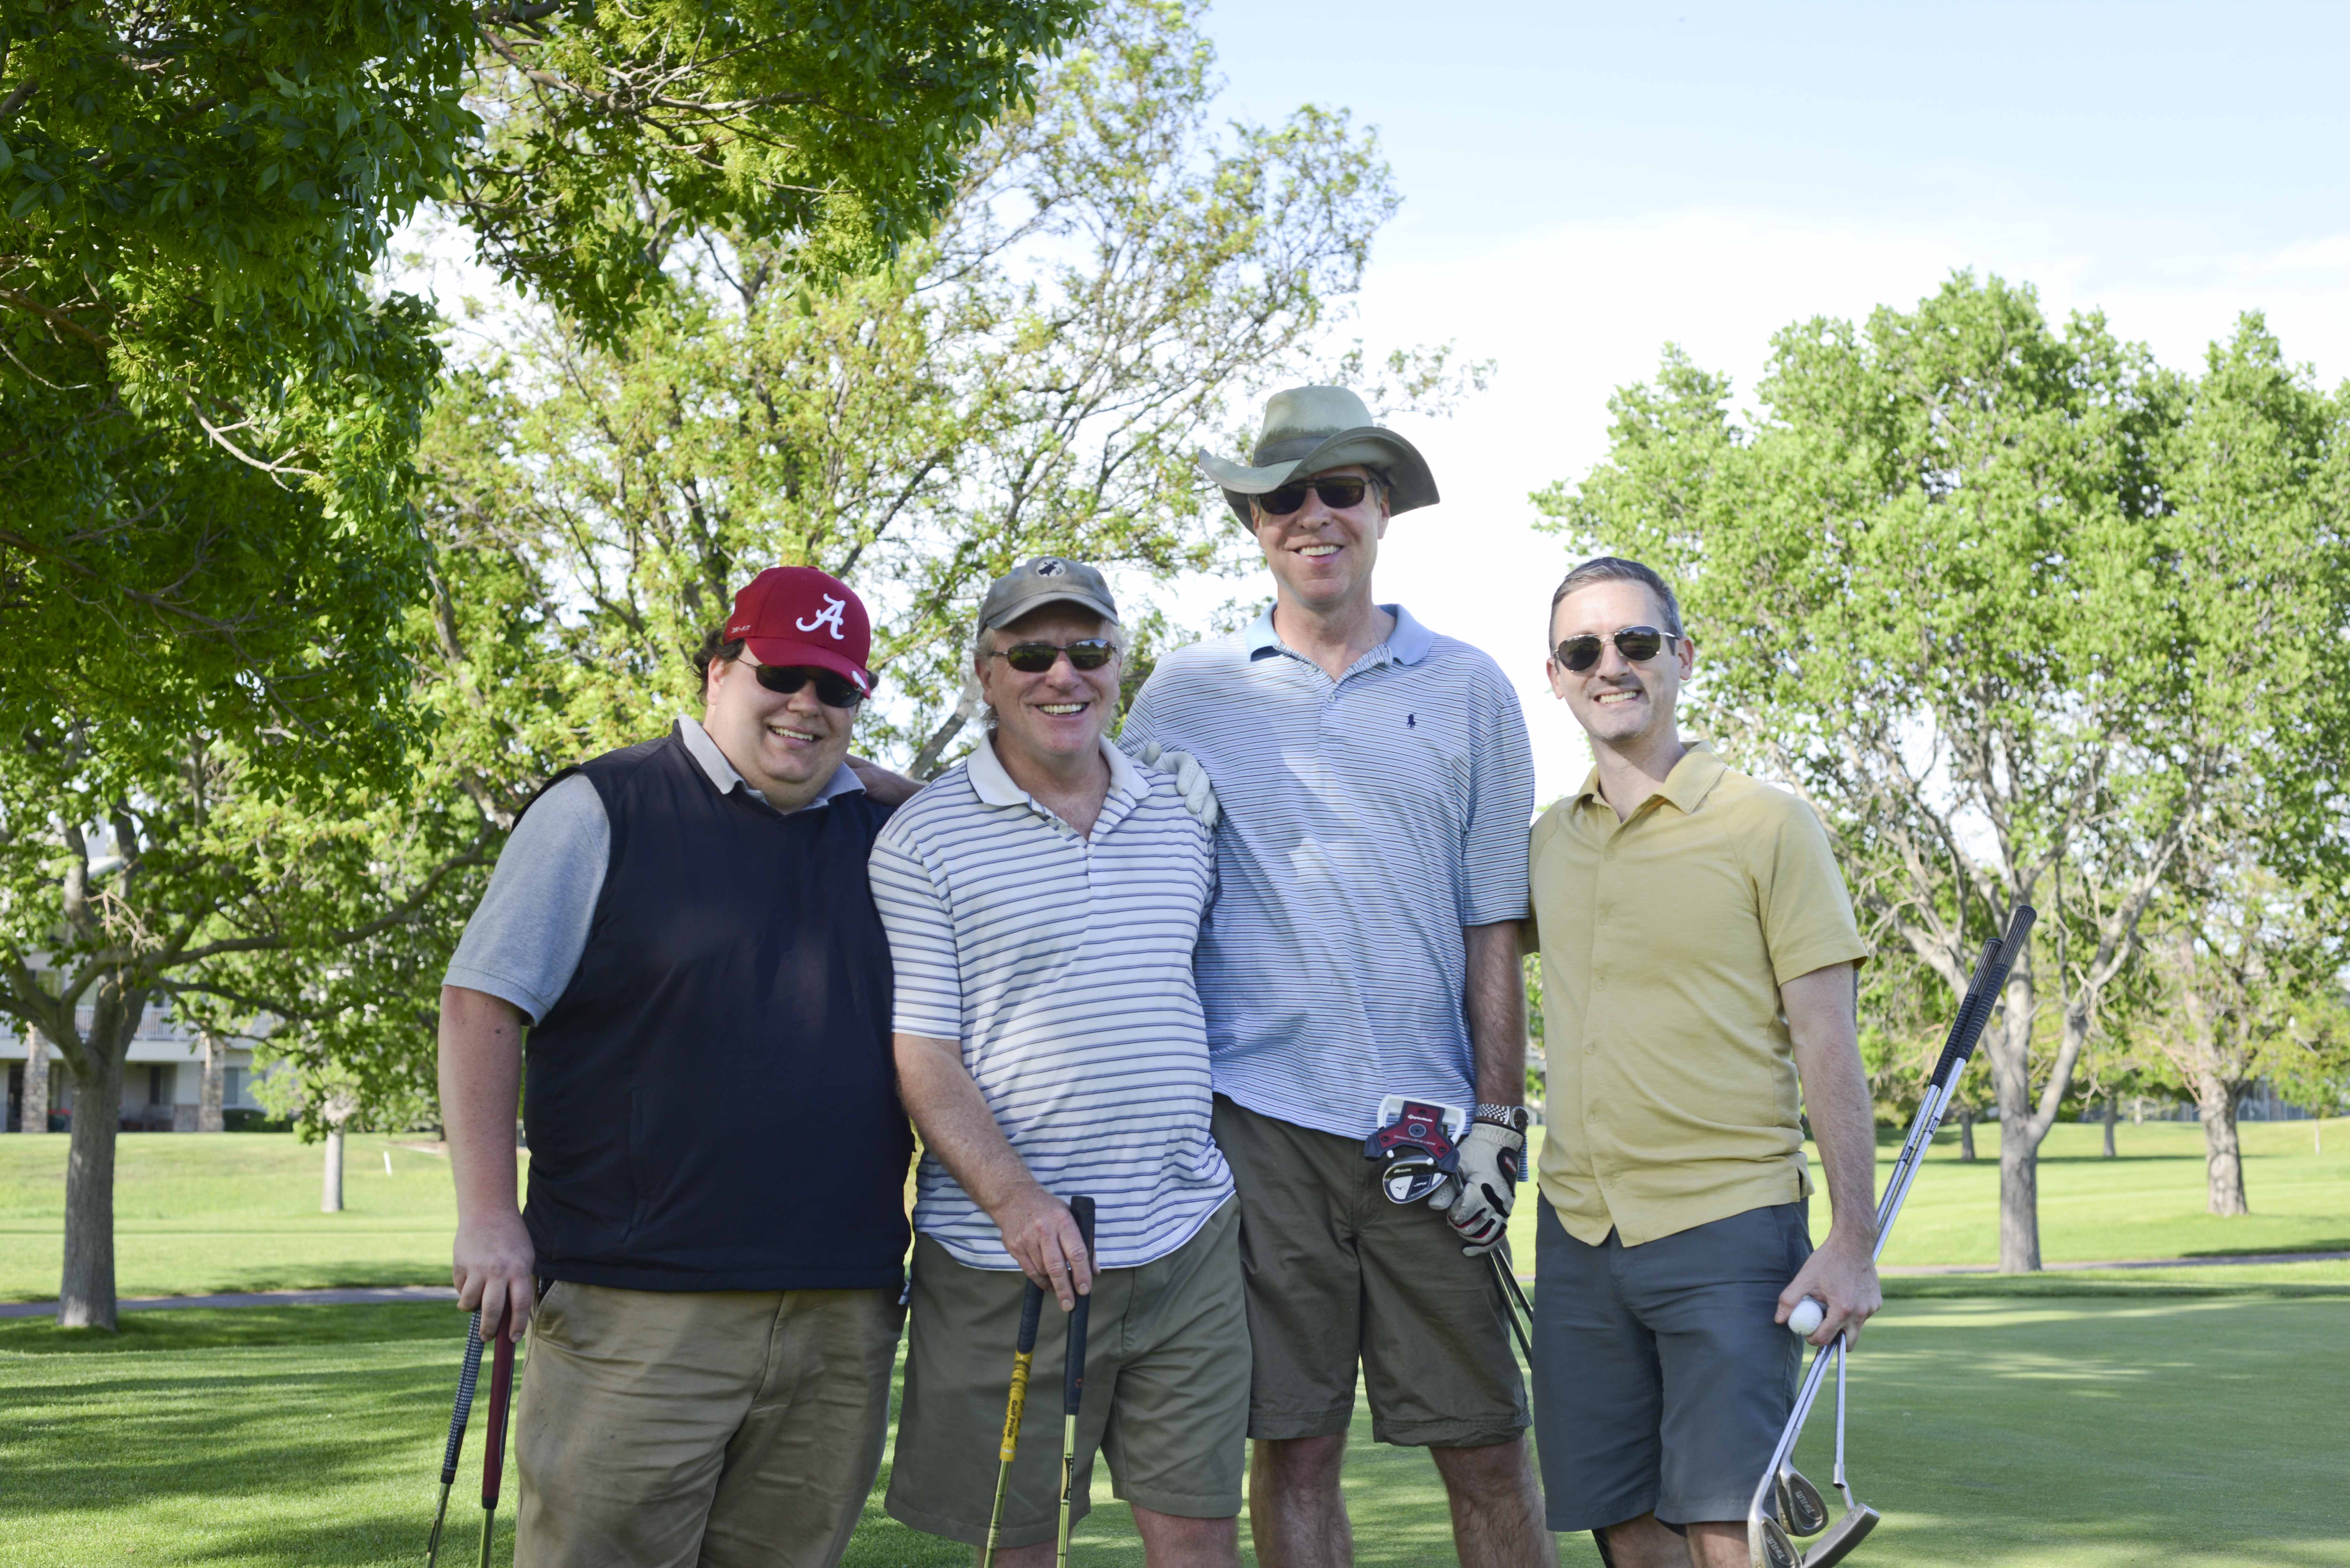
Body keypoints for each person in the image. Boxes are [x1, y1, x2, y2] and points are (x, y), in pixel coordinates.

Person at [1120, 388, 1547, 1568]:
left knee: (1487, 1445)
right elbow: (1093, 852)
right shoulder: (1186, 692)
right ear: (1255, 522)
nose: (1313, 515)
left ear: (1383, 508)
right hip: (1259, 1126)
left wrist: (1499, 1125)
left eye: (1339, 490)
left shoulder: (1469, 688)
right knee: (1294, 1449)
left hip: (1433, 1129)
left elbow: (1493, 926)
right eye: (1282, 497)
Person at [438, 566, 913, 1568]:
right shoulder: (600, 808)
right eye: (781, 673)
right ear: (715, 671)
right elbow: (482, 1001)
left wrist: (890, 785)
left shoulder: (892, 837)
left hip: (841, 1310)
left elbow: (1009, 830)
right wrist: (487, 1213)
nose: (806, 705)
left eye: (836, 689)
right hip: (634, 1314)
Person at [871, 557, 1247, 1567]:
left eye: (1089, 651)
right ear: (985, 674)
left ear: (1121, 666)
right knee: (1021, 1547)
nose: (1062, 675)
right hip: (1008, 1260)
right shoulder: (921, 841)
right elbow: (924, 1055)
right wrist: (1017, 1203)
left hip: (1184, 1238)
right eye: (1032, 653)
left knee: (1202, 1541)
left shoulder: (1183, 812)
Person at [1523, 556, 1879, 1568]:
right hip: (1579, 1232)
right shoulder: (1549, 841)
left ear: (1679, 656)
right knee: (1624, 1525)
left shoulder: (1770, 824)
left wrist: (1851, 1241)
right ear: (1554, 675)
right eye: (1583, 651)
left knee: (1730, 1528)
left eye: (1636, 643)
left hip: (1728, 1224)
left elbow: (1827, 1040)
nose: (1611, 666)